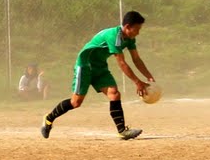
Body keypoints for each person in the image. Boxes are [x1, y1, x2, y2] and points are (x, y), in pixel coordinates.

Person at [40, 10, 154, 141]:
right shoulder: (114, 36)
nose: (138, 32)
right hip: (85, 65)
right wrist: (137, 82)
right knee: (76, 102)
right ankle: (48, 119)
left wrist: (149, 76)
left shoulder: (129, 39)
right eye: (137, 29)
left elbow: (136, 59)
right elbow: (122, 63)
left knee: (114, 94)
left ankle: (122, 131)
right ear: (127, 27)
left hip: (99, 66)